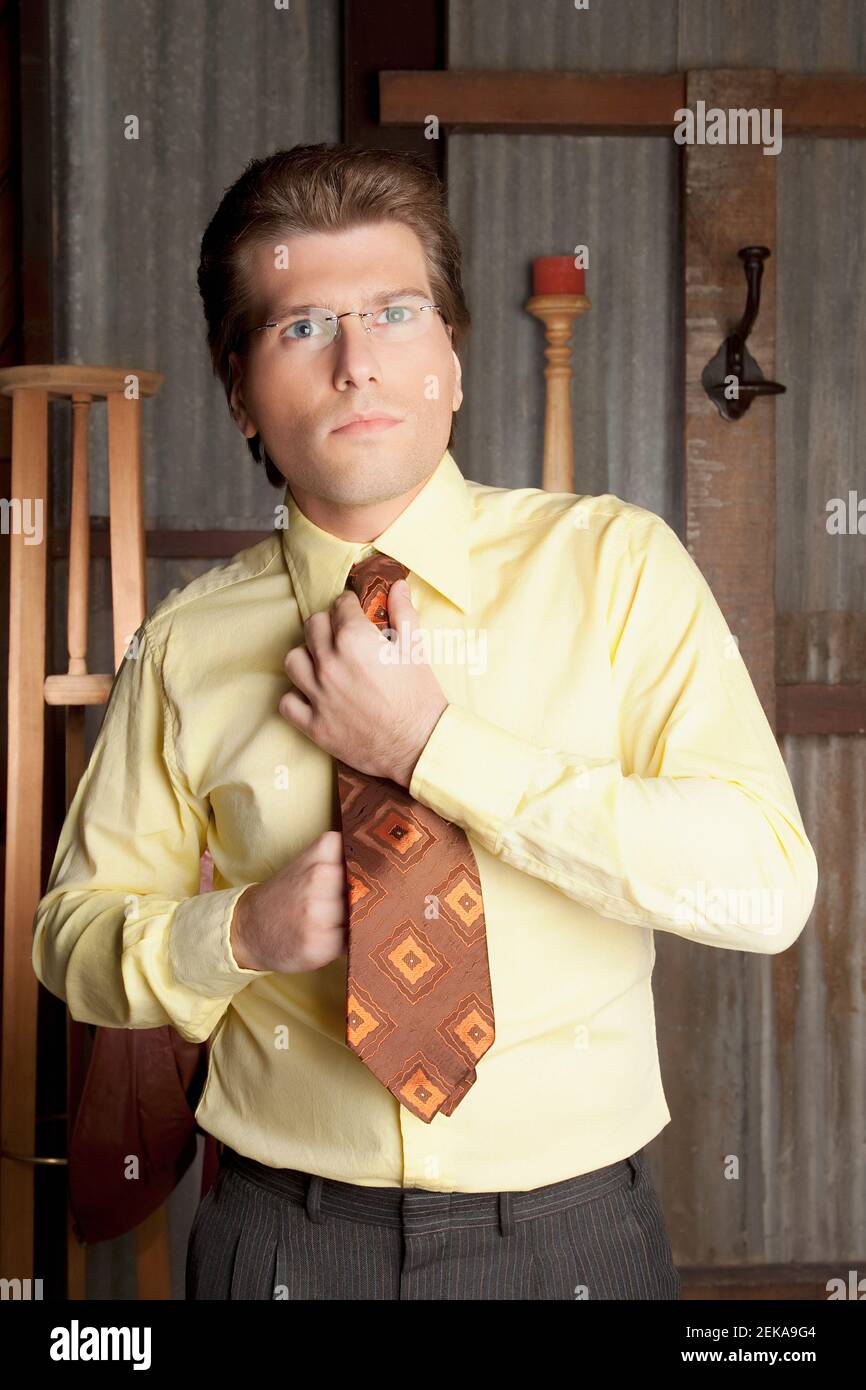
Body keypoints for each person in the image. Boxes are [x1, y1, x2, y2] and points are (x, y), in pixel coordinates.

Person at [32, 142, 818, 1301]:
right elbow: (71, 936)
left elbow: (764, 887)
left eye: (397, 313)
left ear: (450, 356)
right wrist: (237, 933)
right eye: (303, 326)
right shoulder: (184, 644)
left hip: (573, 1242)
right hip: (280, 1239)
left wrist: (432, 751)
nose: (358, 364)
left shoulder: (614, 567)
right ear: (238, 383)